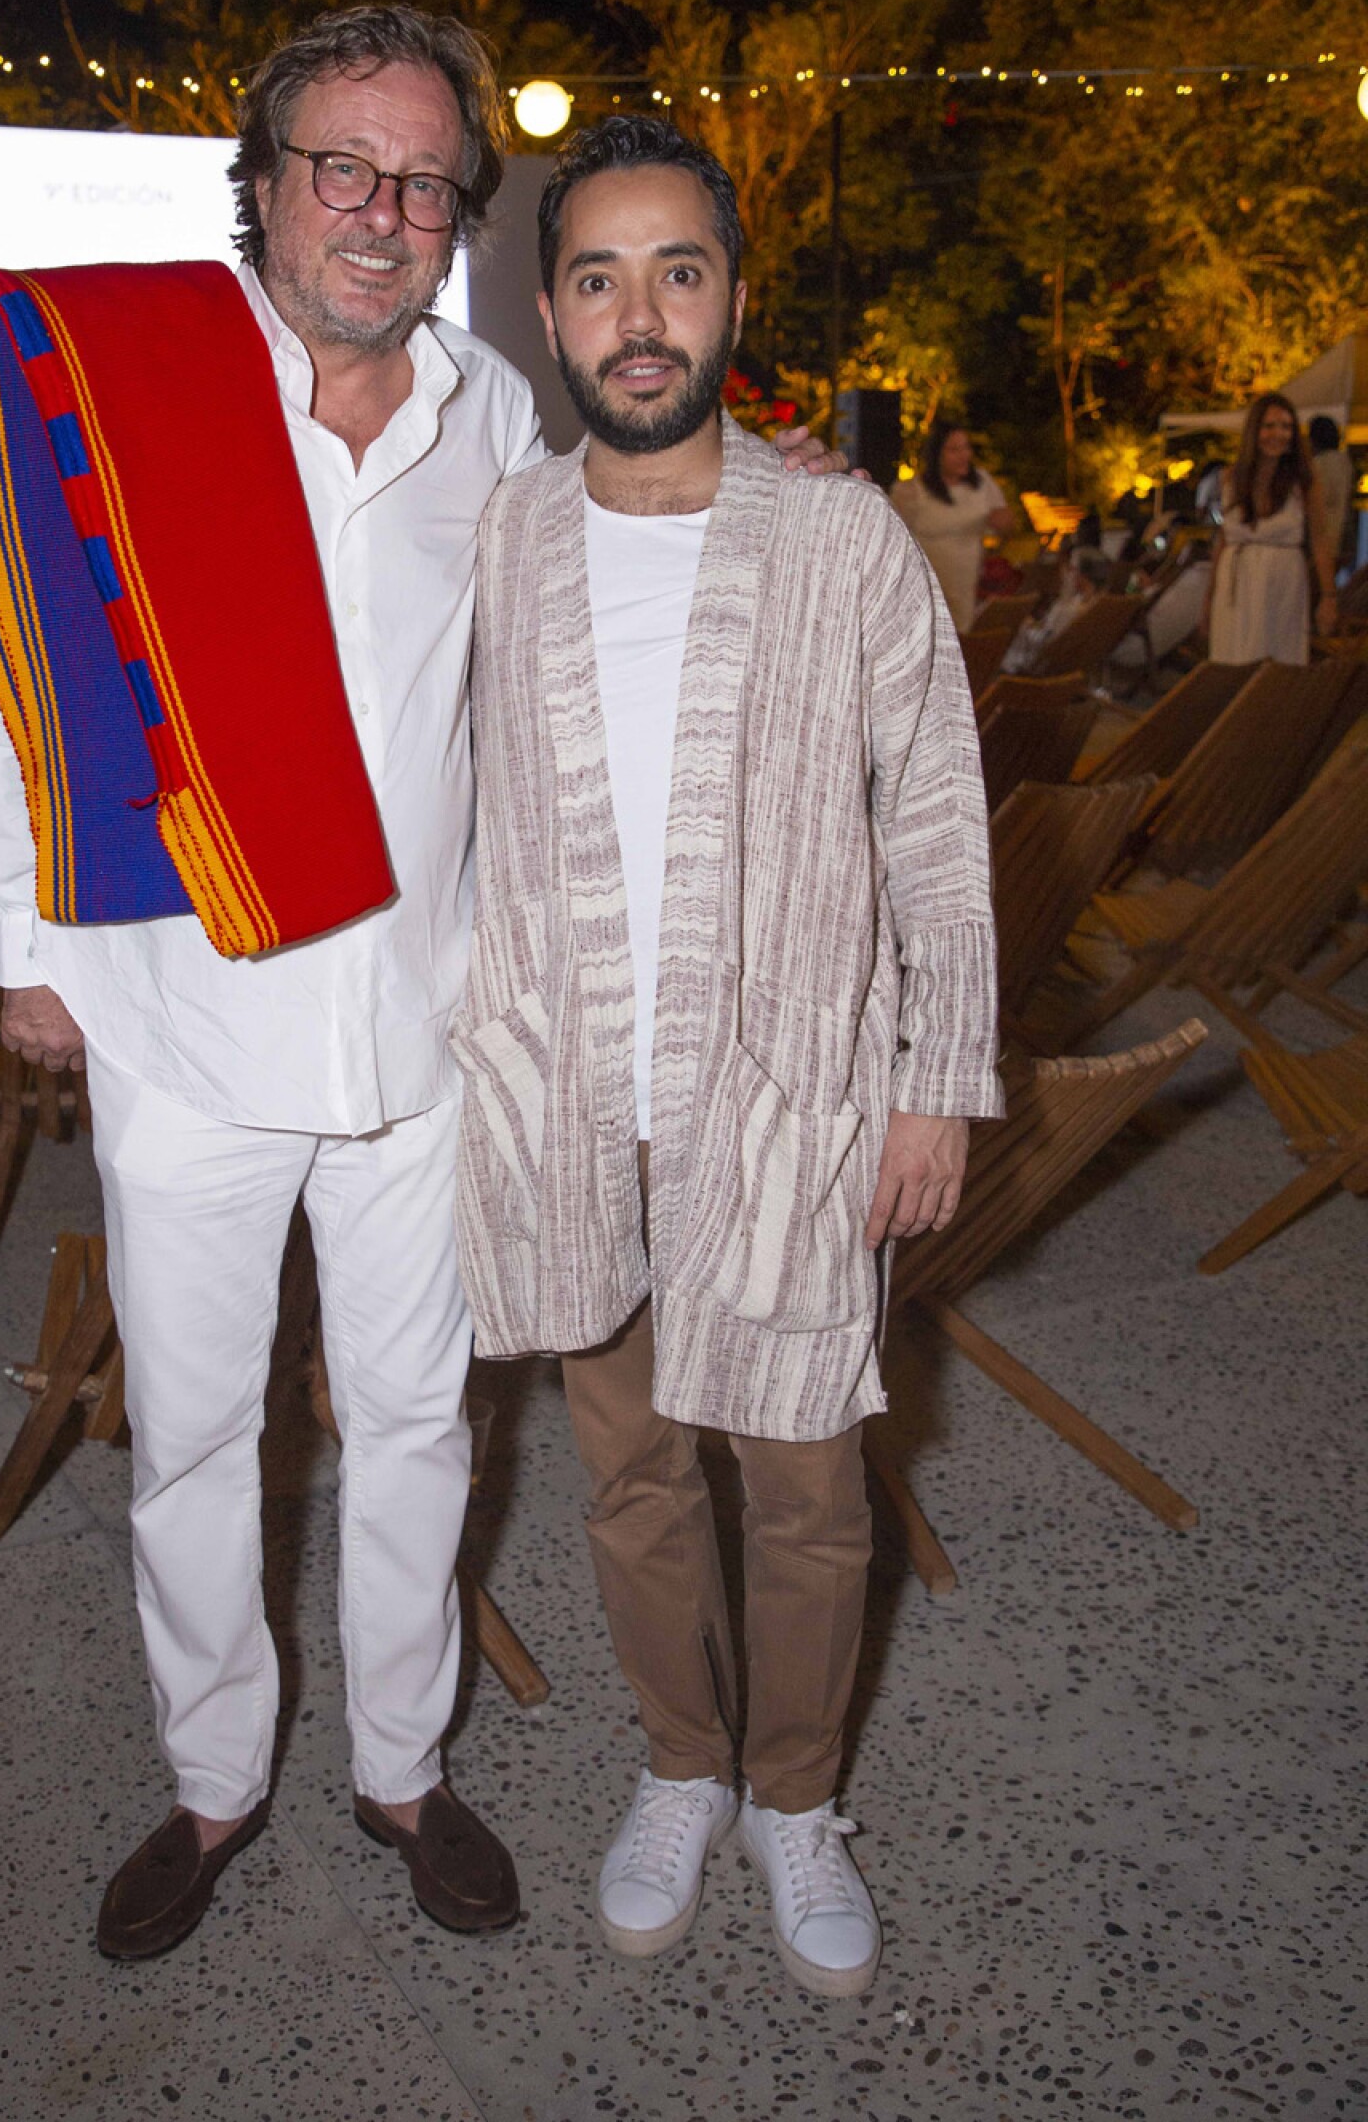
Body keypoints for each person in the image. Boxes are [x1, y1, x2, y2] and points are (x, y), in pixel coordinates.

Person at [0, 6, 841, 1964]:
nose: (383, 212)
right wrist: (28, 948)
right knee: (193, 1434)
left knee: (421, 1423)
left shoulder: (493, 415)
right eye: (343, 166)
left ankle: (401, 1770)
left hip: (428, 1029)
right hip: (180, 1014)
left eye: (425, 184)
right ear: (258, 184)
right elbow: (9, 676)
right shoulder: (119, 385)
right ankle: (214, 1777)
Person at [453, 117, 1002, 2001]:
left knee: (805, 1486)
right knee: (628, 1479)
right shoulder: (506, 536)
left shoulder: (840, 533)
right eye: (596, 277)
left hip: (787, 1102)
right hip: (573, 1101)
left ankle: (795, 1799)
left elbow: (935, 813)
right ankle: (679, 1763)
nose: (637, 315)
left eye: (675, 270)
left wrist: (937, 1077)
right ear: (547, 314)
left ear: (733, 299)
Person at [1207, 392, 1336, 661]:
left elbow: (1320, 541)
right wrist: (1208, 598)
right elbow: (1223, 541)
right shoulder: (1232, 478)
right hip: (1235, 581)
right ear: (1255, 430)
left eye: (1286, 426)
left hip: (1283, 581)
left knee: (1278, 659)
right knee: (1232, 659)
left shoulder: (1304, 482)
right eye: (1269, 426)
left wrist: (1328, 596)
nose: (1278, 434)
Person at [890, 417, 1016, 630]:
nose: (964, 455)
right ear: (936, 454)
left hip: (967, 588)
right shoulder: (911, 491)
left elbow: (1006, 523)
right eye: (954, 450)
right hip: (926, 591)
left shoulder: (981, 482)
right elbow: (892, 539)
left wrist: (1003, 523)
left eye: (966, 448)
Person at [1002, 543, 1110, 671]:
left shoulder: (1069, 609)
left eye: (1070, 568)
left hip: (1039, 665)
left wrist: (1024, 626)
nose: (1064, 572)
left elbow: (1044, 644)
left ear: (1082, 577)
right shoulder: (1101, 605)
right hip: (1073, 666)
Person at [1307, 414, 1354, 581]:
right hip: (1337, 543)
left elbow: (1314, 506)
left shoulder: (1317, 466)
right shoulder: (1345, 464)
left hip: (1317, 545)